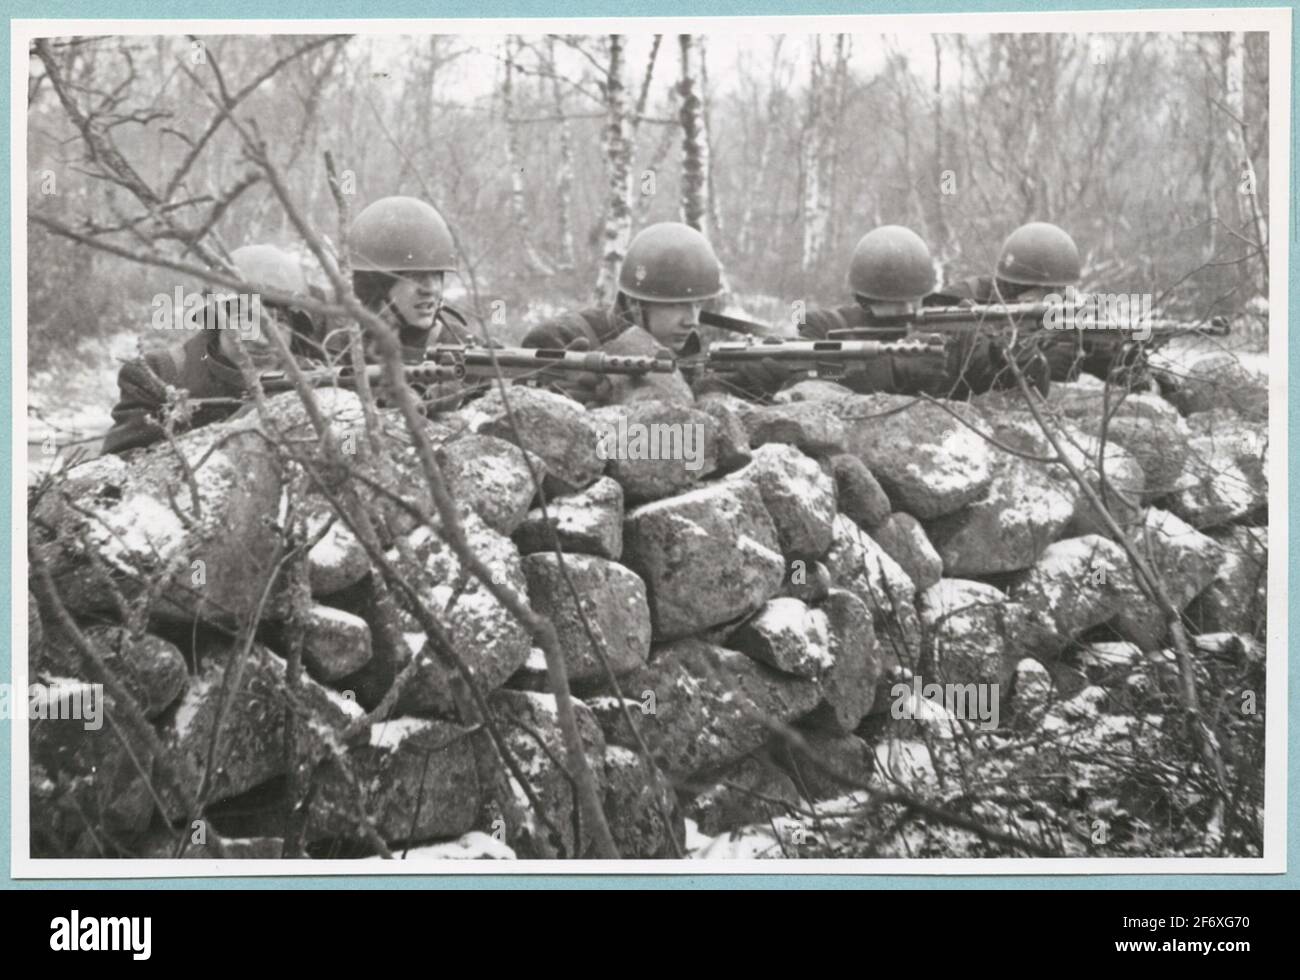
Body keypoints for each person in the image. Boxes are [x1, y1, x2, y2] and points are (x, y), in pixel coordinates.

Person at [102, 244, 320, 454]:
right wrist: (229, 433)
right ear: (217, 319)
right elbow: (118, 473)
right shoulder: (159, 375)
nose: (262, 339)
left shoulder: (317, 378)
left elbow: (353, 449)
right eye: (246, 320)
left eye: (279, 323)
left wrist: (348, 440)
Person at [520, 221, 724, 403]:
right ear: (636, 304)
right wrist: (560, 402)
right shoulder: (561, 337)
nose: (692, 321)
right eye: (677, 305)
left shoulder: (693, 349)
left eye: (697, 304)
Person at [927, 221, 1084, 386]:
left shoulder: (1070, 314)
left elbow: (1074, 372)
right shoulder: (968, 295)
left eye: (1061, 290)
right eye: (1049, 292)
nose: (1058, 297)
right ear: (1020, 289)